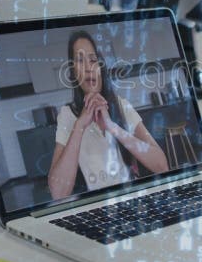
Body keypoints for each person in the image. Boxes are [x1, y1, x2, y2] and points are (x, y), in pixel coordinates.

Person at [48, 31, 169, 199]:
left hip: (133, 200)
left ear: (100, 67)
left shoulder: (121, 106)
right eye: (80, 60)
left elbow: (162, 165)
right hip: (95, 208)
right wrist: (80, 125)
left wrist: (113, 127)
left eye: (92, 60)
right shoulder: (67, 115)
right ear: (74, 72)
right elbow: (58, 192)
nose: (88, 68)